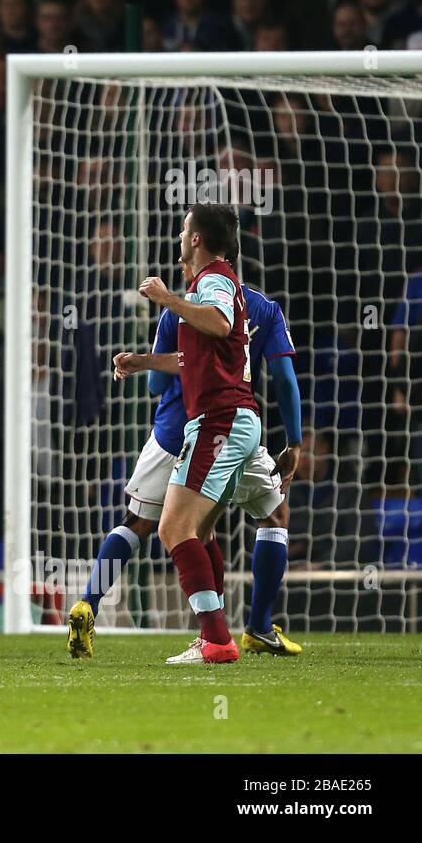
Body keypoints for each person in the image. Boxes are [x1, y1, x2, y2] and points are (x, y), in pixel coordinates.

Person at [70, 262, 305, 659]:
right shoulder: (263, 310)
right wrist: (295, 441)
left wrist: (149, 359)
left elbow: (156, 386)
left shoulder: (177, 309)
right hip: (229, 429)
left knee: (139, 523)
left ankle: (90, 603)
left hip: (174, 432)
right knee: (271, 516)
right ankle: (256, 626)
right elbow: (284, 378)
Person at [135, 204, 260, 664]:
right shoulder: (211, 285)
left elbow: (221, 323)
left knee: (172, 527)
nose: (179, 233)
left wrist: (166, 299)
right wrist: (145, 361)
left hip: (220, 420)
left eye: (184, 227)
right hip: (233, 419)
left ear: (195, 239)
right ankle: (214, 636)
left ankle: (218, 640)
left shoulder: (213, 281)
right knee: (201, 532)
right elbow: (198, 359)